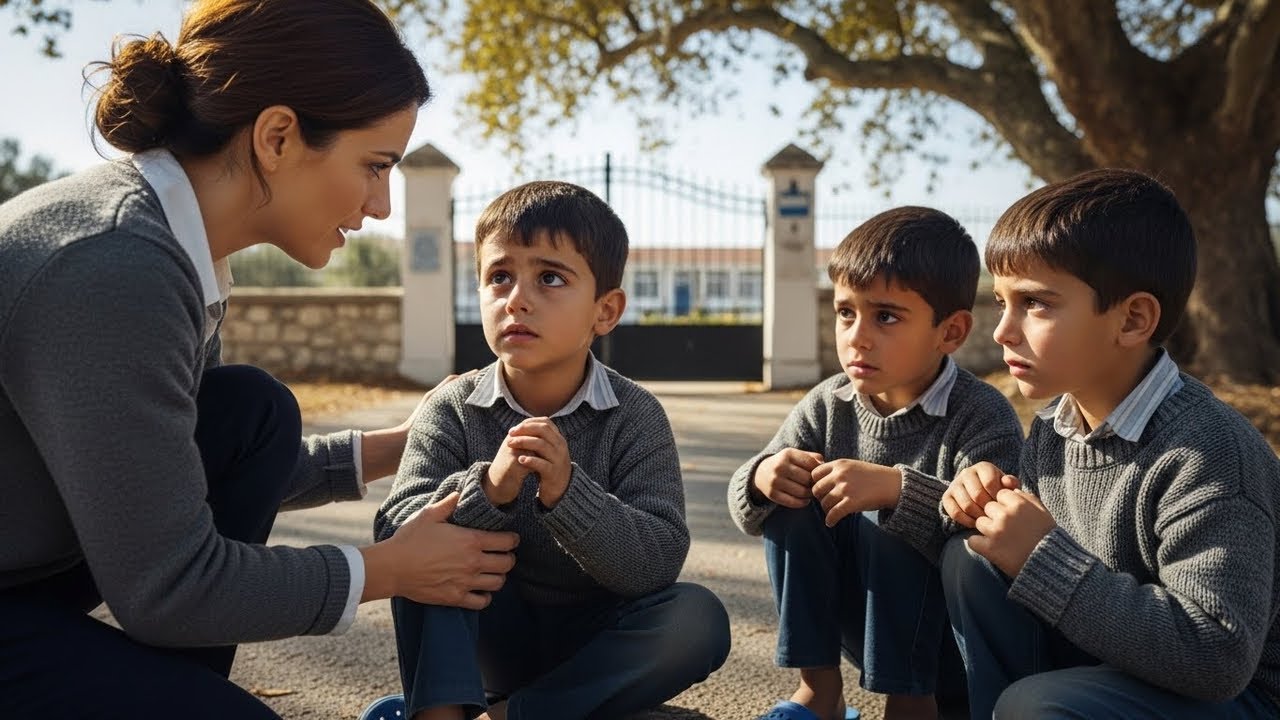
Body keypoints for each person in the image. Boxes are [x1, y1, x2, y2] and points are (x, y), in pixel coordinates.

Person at [0, 2, 519, 718]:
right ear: (278, 136)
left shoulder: (176, 244)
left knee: (251, 411)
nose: (382, 206)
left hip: (30, 576)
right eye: (375, 166)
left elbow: (166, 470)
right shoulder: (114, 265)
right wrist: (391, 569)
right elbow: (171, 587)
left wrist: (407, 443)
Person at [373, 180, 732, 720]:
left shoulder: (635, 415)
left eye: (549, 278)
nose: (517, 297)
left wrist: (568, 494)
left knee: (697, 618)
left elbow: (657, 562)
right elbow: (395, 534)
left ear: (605, 311)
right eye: (499, 277)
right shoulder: (450, 406)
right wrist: (486, 490)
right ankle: (445, 712)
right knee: (430, 556)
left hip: (596, 640)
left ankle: (517, 714)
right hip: (488, 634)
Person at [939, 168, 1280, 719]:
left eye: (1036, 303)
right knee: (970, 559)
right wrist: (978, 506)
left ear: (1133, 319)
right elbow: (1034, 560)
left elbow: (1217, 657)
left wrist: (1040, 554)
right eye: (1001, 301)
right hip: (1118, 667)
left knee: (1035, 705)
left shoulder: (1208, 454)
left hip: (1240, 701)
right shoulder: (1055, 427)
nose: (1002, 330)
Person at [728, 207, 1024, 720]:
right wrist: (760, 477)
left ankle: (910, 705)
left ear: (950, 333)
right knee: (791, 497)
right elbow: (750, 512)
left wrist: (897, 489)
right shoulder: (828, 403)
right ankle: (818, 694)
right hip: (857, 624)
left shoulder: (981, 414)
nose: (857, 336)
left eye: (885, 316)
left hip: (948, 644)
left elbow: (996, 540)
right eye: (846, 312)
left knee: (891, 515)